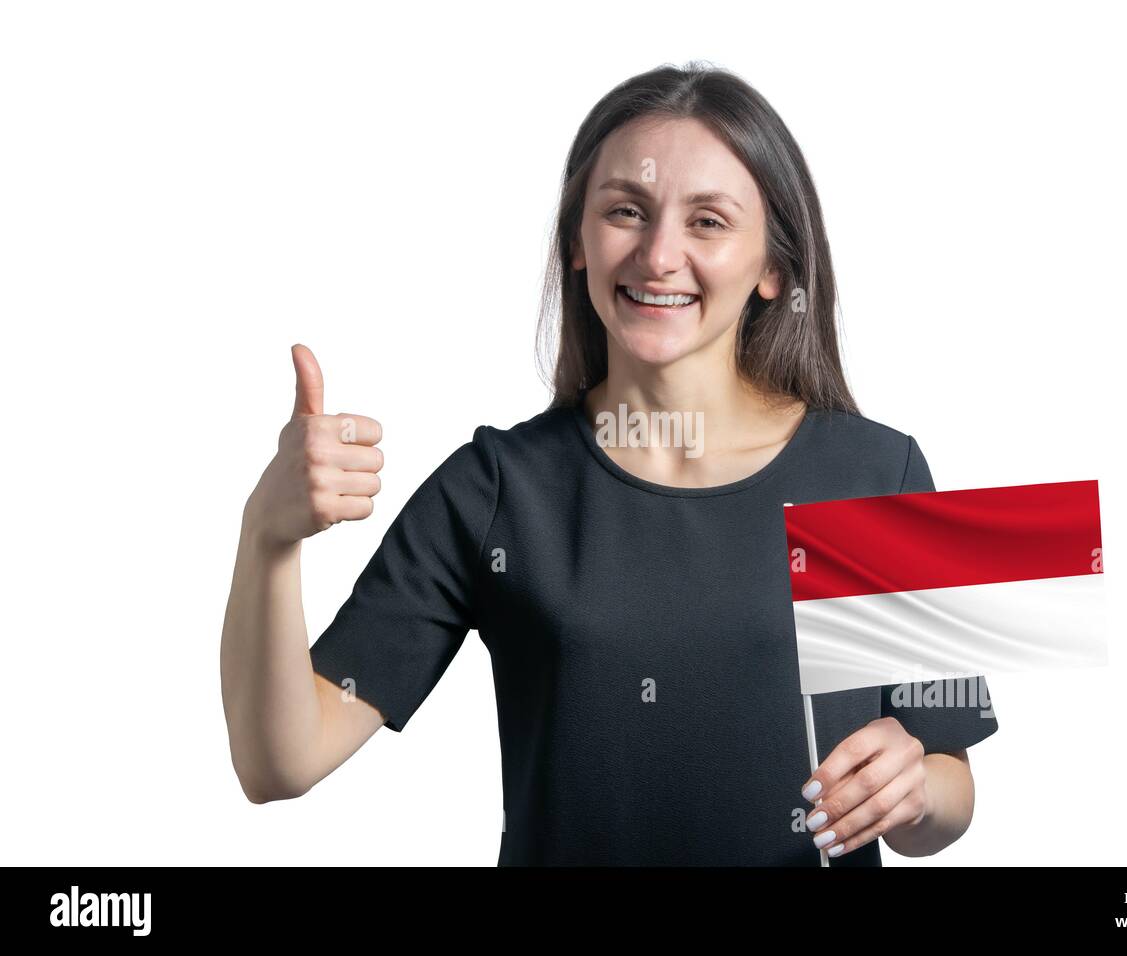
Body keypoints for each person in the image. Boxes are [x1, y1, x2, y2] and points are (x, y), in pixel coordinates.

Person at [220, 62, 998, 866]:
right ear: (579, 243)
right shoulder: (495, 490)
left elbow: (949, 782)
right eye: (627, 211)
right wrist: (267, 538)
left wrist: (918, 790)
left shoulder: (876, 473)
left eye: (708, 221)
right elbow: (280, 760)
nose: (660, 255)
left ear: (773, 267)